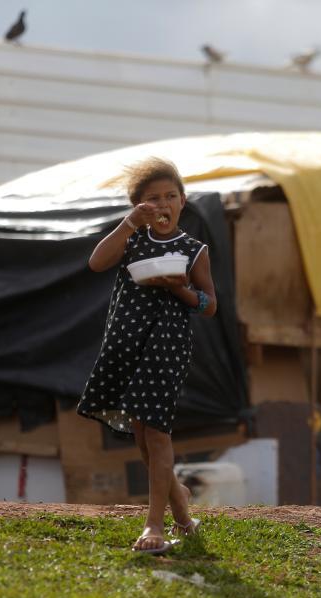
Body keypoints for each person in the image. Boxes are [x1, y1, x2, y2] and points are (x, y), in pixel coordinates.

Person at [77, 157, 217, 554]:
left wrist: (181, 289)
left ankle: (154, 524)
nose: (163, 204)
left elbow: (209, 305)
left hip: (167, 346)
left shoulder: (193, 250)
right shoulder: (132, 239)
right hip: (126, 342)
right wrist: (128, 223)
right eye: (153, 199)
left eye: (170, 196)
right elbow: (96, 262)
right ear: (139, 206)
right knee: (141, 431)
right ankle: (183, 509)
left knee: (155, 431)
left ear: (183, 201)